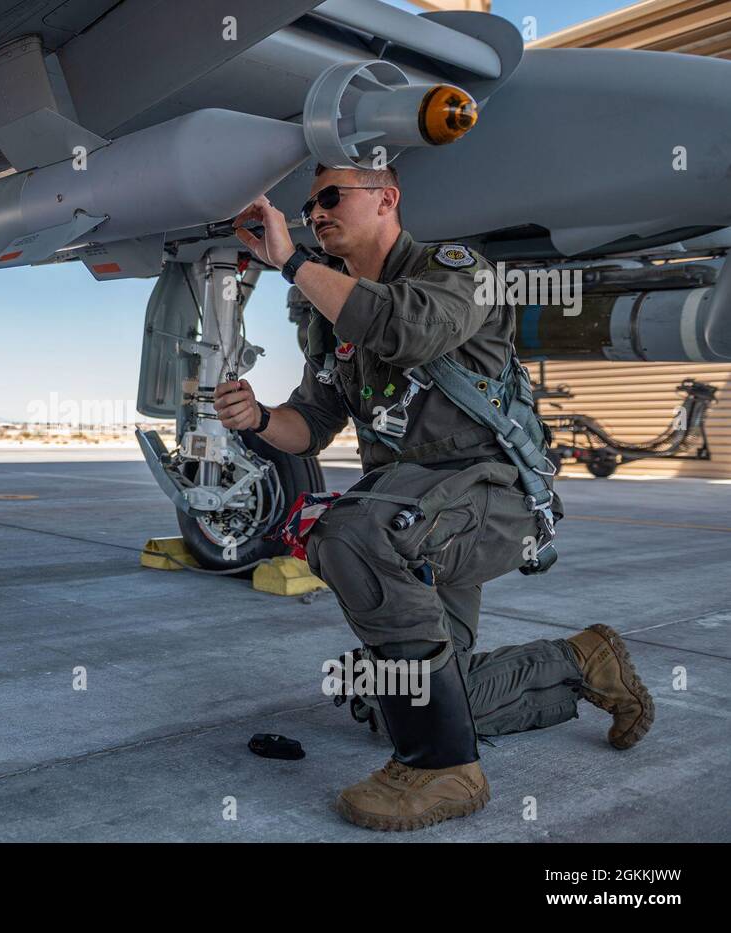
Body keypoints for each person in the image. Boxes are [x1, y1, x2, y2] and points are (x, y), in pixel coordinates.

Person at [216, 164, 654, 831]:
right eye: (307, 210)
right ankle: (580, 659)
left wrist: (291, 261)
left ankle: (442, 768)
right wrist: (257, 419)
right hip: (418, 507)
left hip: (491, 494)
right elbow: (312, 420)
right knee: (399, 697)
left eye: (329, 198)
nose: (316, 214)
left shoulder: (456, 271)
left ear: (386, 197)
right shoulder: (330, 312)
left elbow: (405, 330)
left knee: (351, 533)